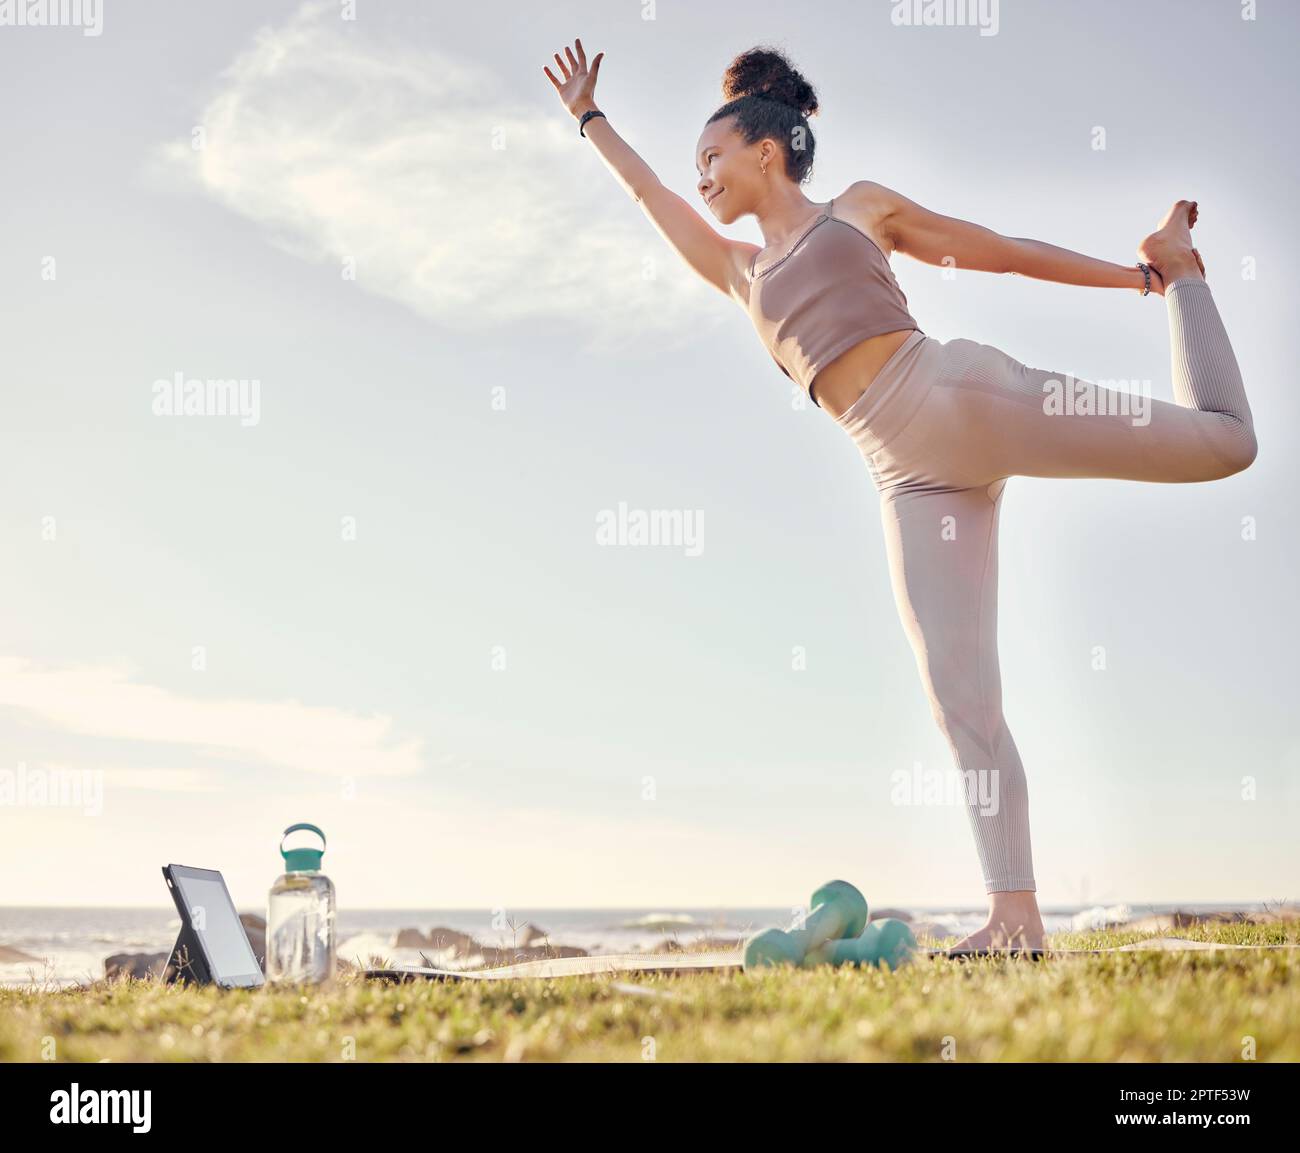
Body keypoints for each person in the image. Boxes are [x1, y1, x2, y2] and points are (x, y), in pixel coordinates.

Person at [544, 40, 1257, 954]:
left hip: (961, 394)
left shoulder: (858, 211)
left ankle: (1186, 273)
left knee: (1227, 444)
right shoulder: (740, 274)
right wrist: (589, 120)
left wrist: (1136, 275)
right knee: (960, 697)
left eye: (712, 157)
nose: (702, 177)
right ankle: (1016, 918)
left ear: (767, 150)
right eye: (697, 169)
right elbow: (654, 199)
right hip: (907, 477)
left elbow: (993, 251)